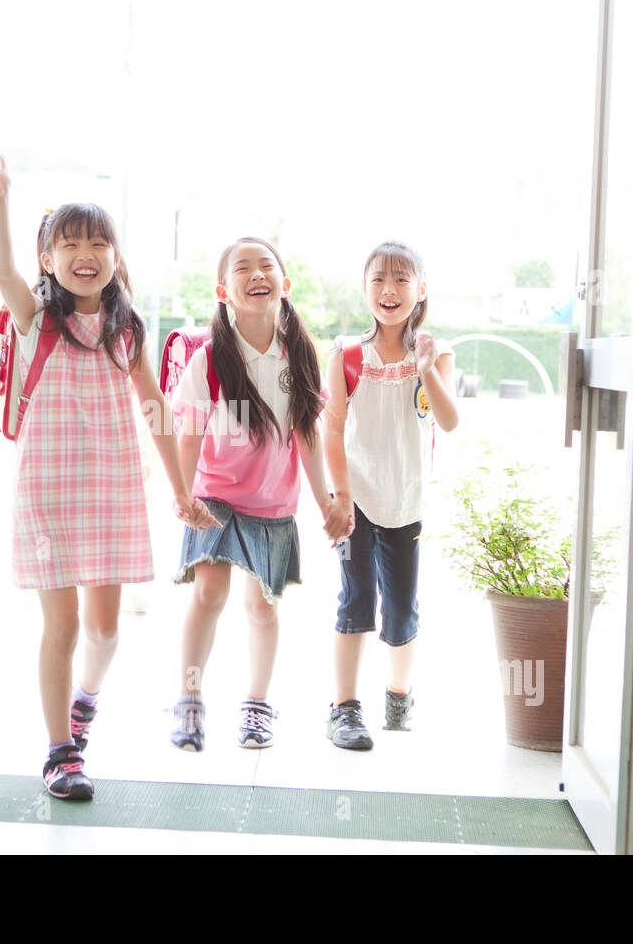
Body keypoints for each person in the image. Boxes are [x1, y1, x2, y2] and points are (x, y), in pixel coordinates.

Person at [0, 149, 218, 800]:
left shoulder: (126, 328)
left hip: (110, 490)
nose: (84, 252)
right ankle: (59, 753)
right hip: (47, 490)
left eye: (98, 241)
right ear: (49, 259)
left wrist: (181, 488)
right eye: (69, 243)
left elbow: (154, 404)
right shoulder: (37, 316)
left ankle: (84, 704)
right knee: (63, 626)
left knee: (104, 627)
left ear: (114, 257)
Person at [168, 236, 349, 751]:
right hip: (215, 497)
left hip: (273, 502)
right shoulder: (208, 359)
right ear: (223, 291)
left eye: (266, 265)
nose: (256, 274)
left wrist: (328, 501)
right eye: (242, 268)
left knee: (263, 607)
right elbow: (189, 434)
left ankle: (256, 706)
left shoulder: (301, 356)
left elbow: (308, 438)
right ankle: (189, 701)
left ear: (284, 285)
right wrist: (184, 494)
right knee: (209, 594)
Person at [321, 240, 459, 749]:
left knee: (401, 609)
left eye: (402, 279)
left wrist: (425, 368)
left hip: (406, 502)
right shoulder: (348, 355)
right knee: (356, 599)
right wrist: (338, 495)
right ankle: (343, 709)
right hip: (356, 497)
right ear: (364, 289)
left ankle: (398, 696)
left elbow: (447, 419)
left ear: (421, 290)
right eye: (378, 278)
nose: (389, 289)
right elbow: (330, 431)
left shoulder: (437, 353)